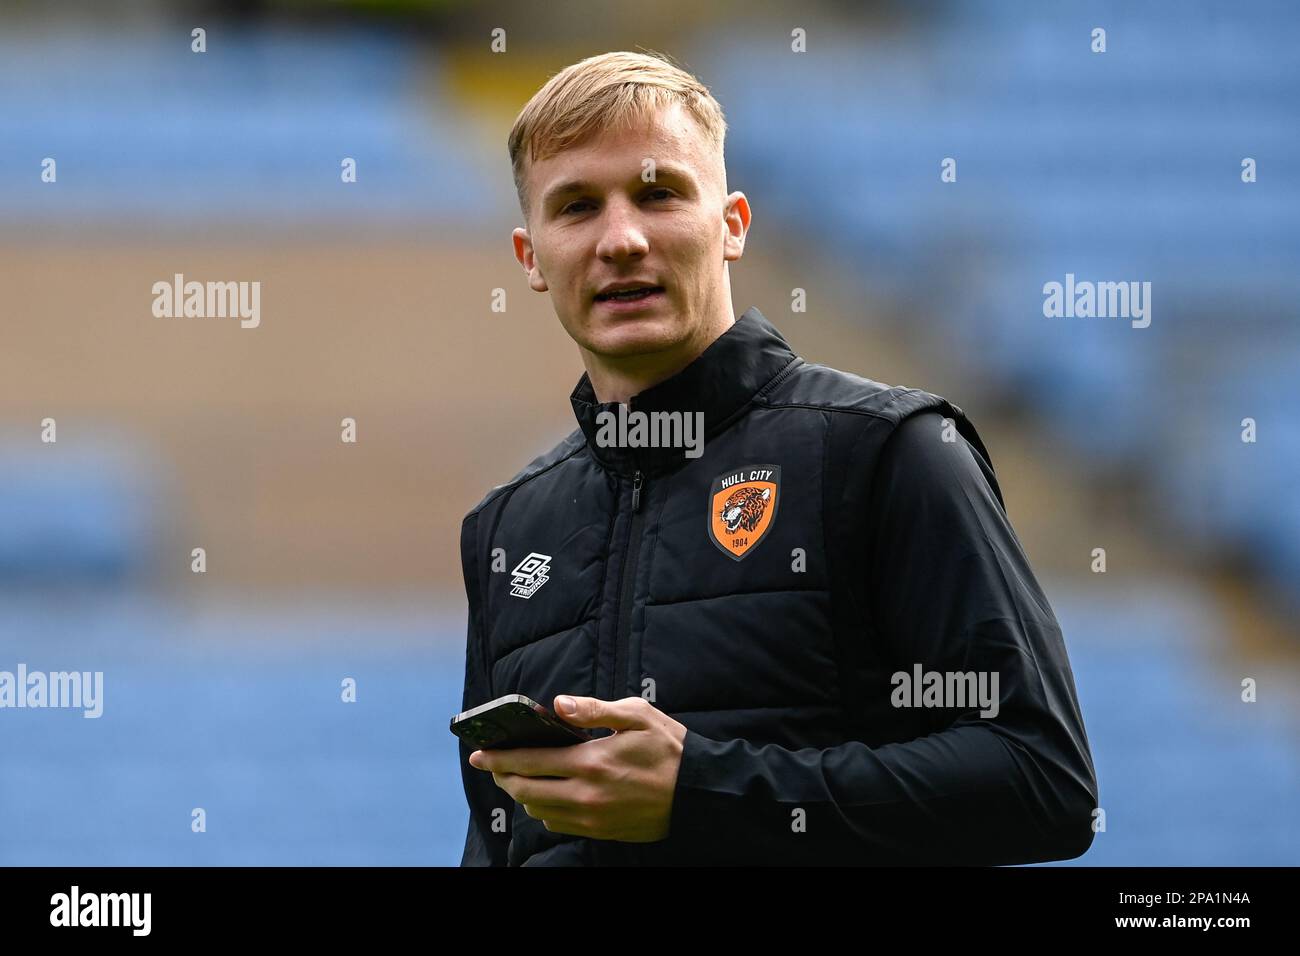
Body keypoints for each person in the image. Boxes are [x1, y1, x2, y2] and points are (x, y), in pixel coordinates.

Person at [457, 50, 1097, 866]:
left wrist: (701, 790)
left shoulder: (890, 451)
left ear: (732, 223)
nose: (621, 239)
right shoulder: (509, 526)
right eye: (577, 207)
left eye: (658, 195)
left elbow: (1042, 783)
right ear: (530, 257)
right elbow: (496, 837)